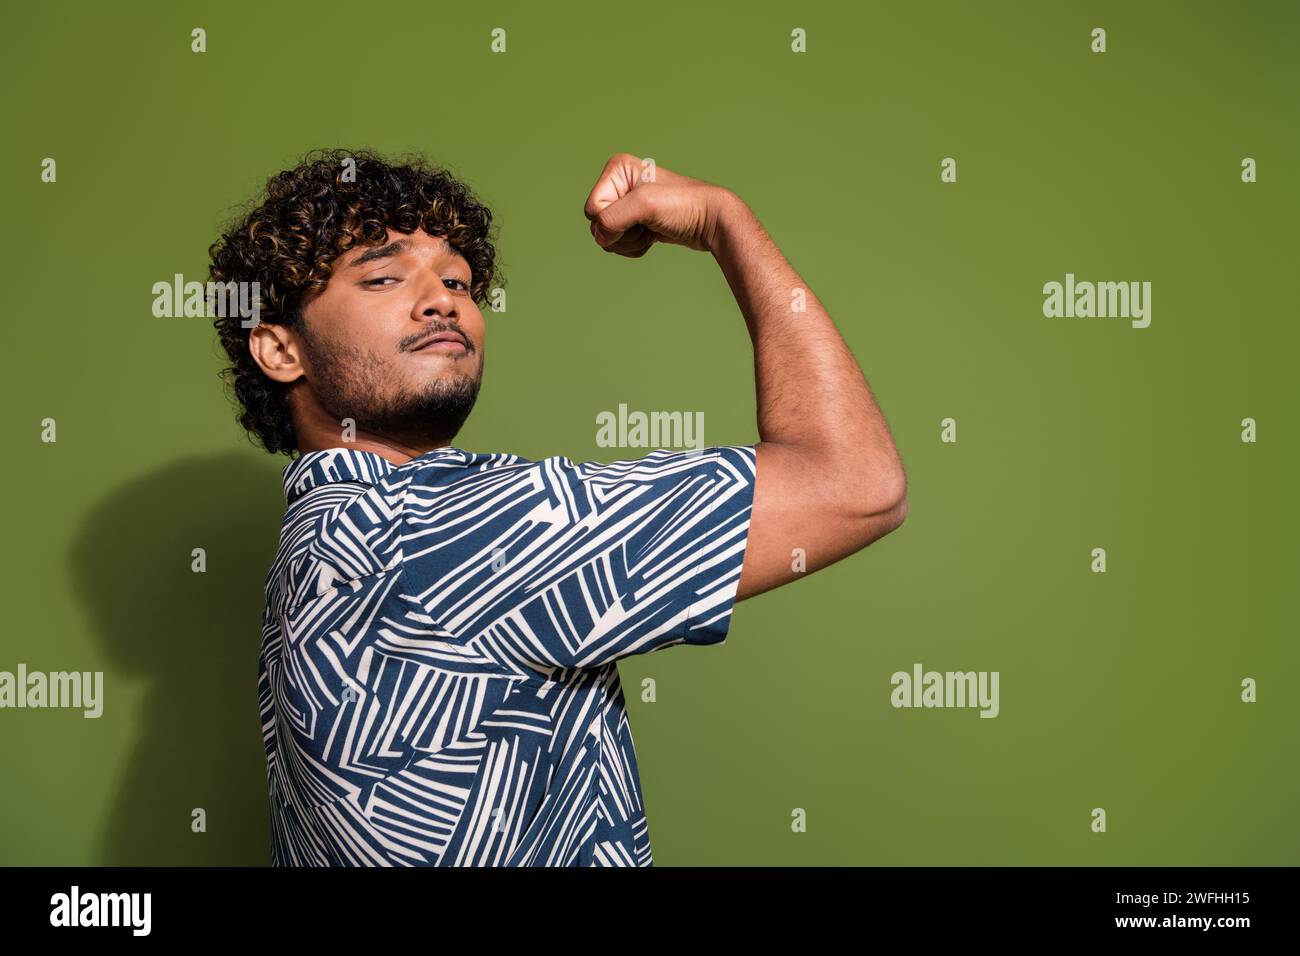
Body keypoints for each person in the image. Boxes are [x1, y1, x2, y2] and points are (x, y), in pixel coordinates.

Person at [209, 148, 908, 866]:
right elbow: (856, 482)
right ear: (279, 349)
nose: (444, 299)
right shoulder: (438, 529)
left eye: (457, 280)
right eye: (384, 276)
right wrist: (723, 220)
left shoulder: (319, 547)